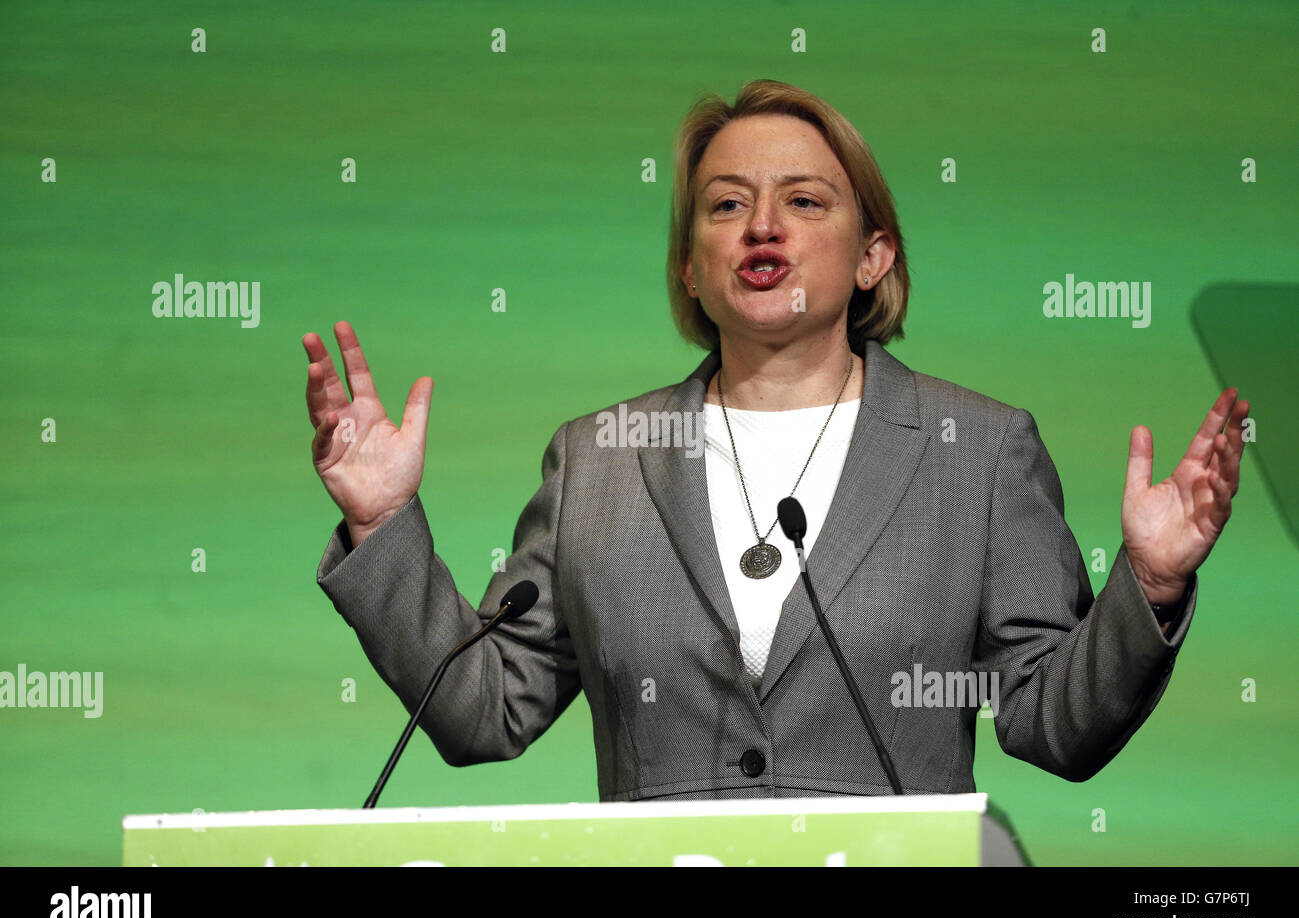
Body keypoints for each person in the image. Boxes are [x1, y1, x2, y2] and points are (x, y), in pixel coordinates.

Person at [303, 80, 1247, 801]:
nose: (761, 226)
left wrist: (1152, 584)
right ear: (691, 267)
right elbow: (484, 710)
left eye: (804, 201)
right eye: (724, 205)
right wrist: (383, 524)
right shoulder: (599, 461)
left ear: (874, 253)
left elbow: (1054, 725)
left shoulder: (980, 452)